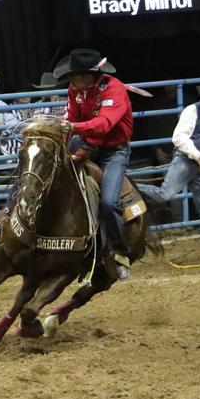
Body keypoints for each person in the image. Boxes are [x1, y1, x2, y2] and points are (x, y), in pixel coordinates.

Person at [58, 48, 135, 279]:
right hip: (88, 143)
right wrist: (64, 136)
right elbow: (70, 117)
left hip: (114, 151)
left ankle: (120, 252)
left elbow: (105, 123)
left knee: (109, 203)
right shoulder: (75, 90)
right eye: (72, 76)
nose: (72, 80)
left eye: (77, 75)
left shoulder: (114, 89)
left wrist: (74, 130)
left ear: (92, 75)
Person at [138, 78, 200, 271]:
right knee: (165, 194)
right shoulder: (193, 110)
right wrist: (199, 155)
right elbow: (179, 138)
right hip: (187, 160)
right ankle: (129, 187)